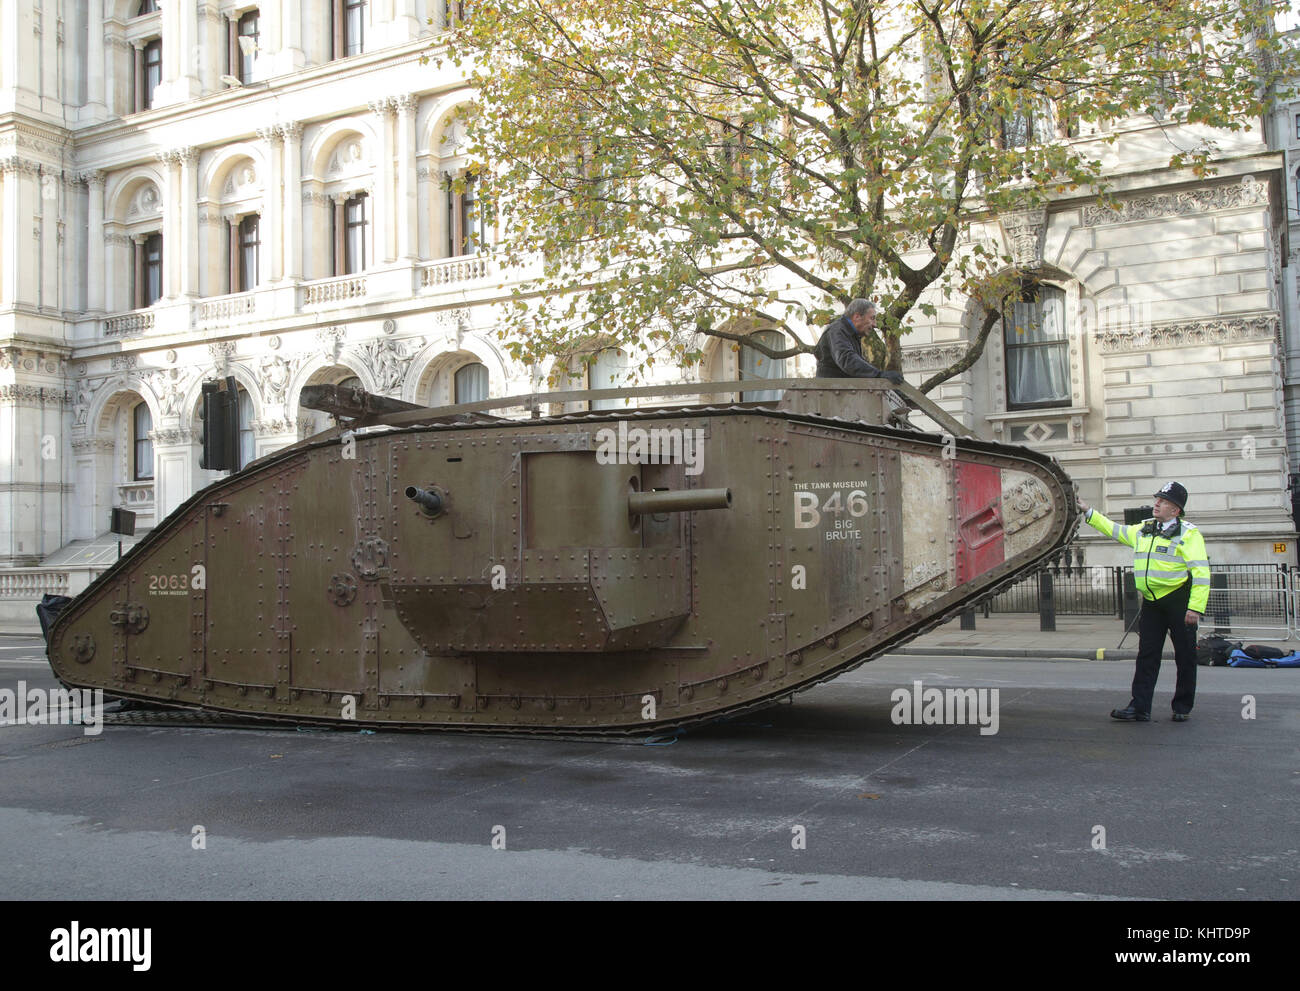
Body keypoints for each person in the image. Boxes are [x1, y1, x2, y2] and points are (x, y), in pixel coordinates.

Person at [1078, 482, 1210, 722]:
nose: (1157, 504)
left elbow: (1201, 573)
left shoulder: (1189, 534)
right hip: (1151, 602)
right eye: (1157, 499)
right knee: (1147, 655)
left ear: (1176, 510)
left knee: (1185, 656)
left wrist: (1195, 608)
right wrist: (1089, 512)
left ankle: (1182, 706)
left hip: (1178, 600)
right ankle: (1140, 707)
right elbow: (1115, 530)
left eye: (1163, 501)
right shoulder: (1145, 528)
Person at [814, 299, 905, 384]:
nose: (874, 324)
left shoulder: (848, 332)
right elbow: (847, 360)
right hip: (833, 393)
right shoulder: (837, 330)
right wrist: (878, 375)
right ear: (857, 317)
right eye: (872, 318)